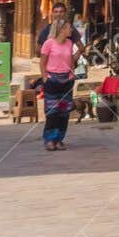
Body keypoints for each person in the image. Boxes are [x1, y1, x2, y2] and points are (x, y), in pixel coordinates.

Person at [39, 18, 80, 151]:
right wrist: (45, 78)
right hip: (52, 81)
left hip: (66, 81)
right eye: (69, 27)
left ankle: (59, 140)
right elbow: (42, 62)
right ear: (61, 29)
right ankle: (50, 140)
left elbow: (71, 60)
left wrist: (72, 74)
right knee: (52, 112)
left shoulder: (69, 43)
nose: (71, 30)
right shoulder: (48, 43)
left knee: (64, 112)